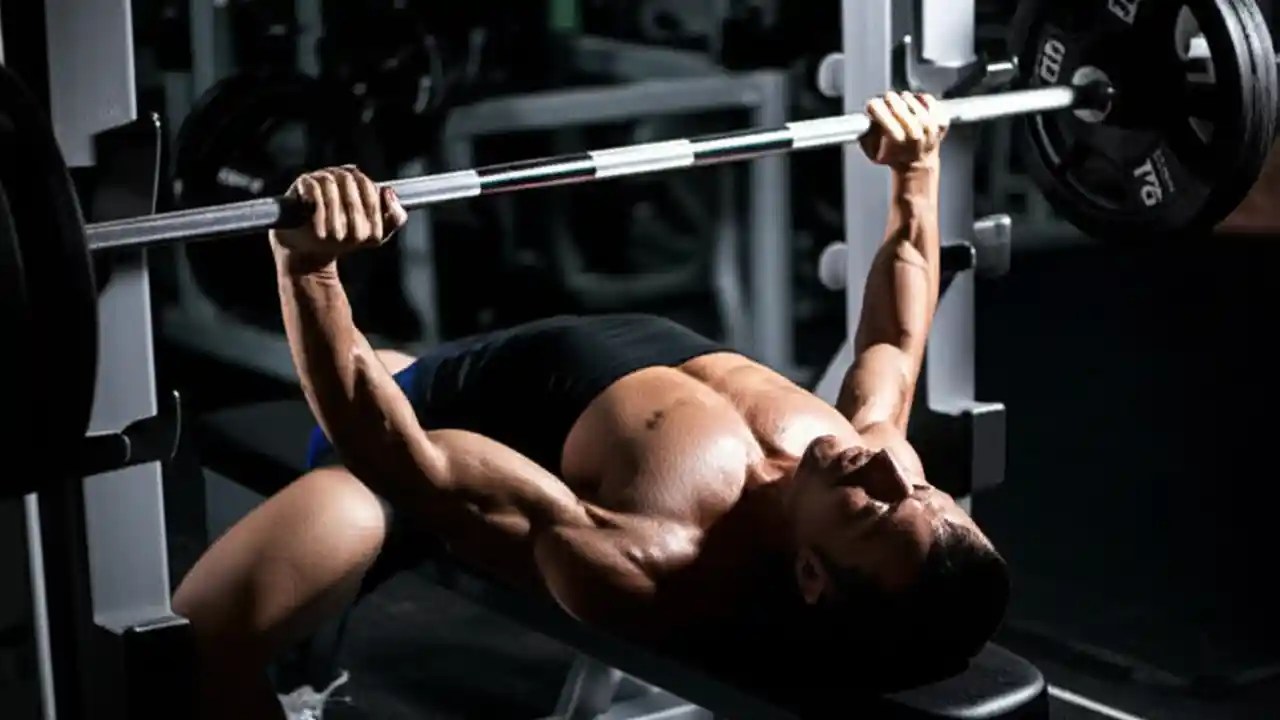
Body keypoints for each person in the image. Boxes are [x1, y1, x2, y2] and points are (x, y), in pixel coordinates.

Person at [173, 90, 1009, 719]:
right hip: (468, 369)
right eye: (925, 489)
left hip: (406, 435)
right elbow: (895, 338)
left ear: (810, 574)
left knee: (194, 649)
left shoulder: (650, 558)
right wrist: (916, 170)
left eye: (876, 510)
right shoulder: (877, 461)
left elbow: (407, 457)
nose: (891, 472)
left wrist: (309, 268)